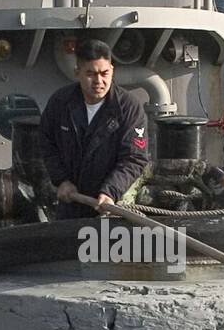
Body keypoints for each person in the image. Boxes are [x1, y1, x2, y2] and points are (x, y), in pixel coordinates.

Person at [39, 39, 149, 219]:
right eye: (91, 74)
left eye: (104, 73)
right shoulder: (60, 103)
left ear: (112, 70)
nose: (99, 81)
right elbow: (46, 142)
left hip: (112, 206)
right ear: (77, 72)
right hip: (70, 204)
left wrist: (111, 191)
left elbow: (134, 157)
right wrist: (61, 180)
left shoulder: (129, 108)